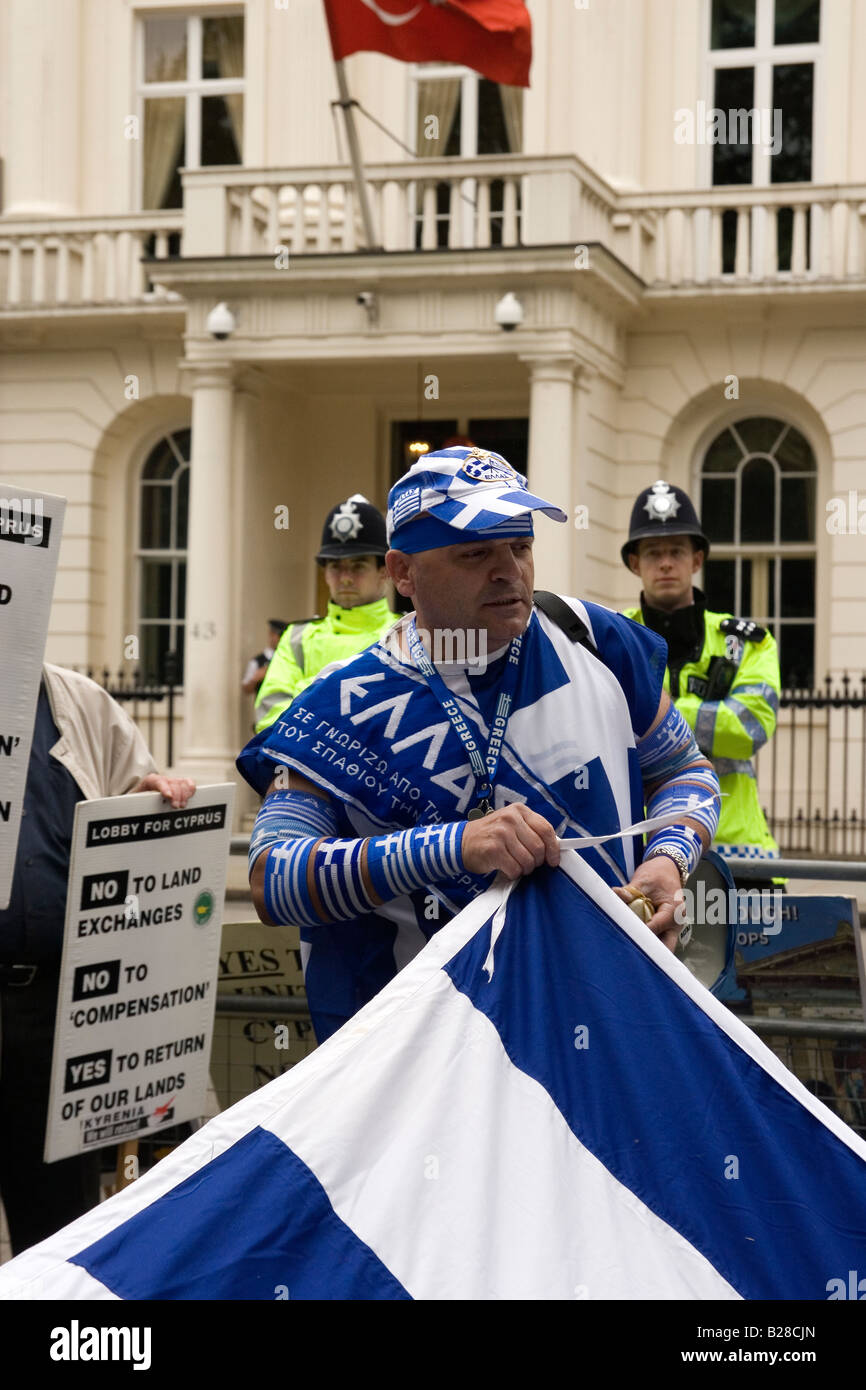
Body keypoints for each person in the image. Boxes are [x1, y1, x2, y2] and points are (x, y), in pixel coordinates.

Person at [238, 446, 721, 1042]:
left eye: (520, 545)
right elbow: (273, 881)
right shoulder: (338, 704)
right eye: (475, 552)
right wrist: (453, 847)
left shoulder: (596, 639)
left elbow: (686, 772)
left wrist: (668, 860)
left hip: (603, 1026)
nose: (509, 570)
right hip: (429, 1057)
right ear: (403, 572)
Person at [0, 664, 195, 1254]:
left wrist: (147, 806)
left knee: (58, 1227)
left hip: (57, 1010)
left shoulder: (78, 701)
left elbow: (127, 816)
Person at [621, 479, 781, 882]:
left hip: (736, 855)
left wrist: (657, 712)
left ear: (697, 560)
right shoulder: (611, 637)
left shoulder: (747, 642)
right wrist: (704, 714)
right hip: (639, 851)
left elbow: (749, 727)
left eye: (677, 551)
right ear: (634, 563)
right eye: (653, 552)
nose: (666, 563)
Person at [254, 495, 400, 733]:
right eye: (335, 566)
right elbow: (269, 718)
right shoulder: (297, 637)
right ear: (325, 573)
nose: (345, 577)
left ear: (384, 571)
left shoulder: (407, 633)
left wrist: (308, 689)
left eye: (358, 566)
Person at [241, 619, 288, 695]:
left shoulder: (288, 659)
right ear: (271, 634)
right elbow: (246, 689)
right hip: (264, 705)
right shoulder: (257, 661)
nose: (281, 639)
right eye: (279, 635)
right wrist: (255, 679)